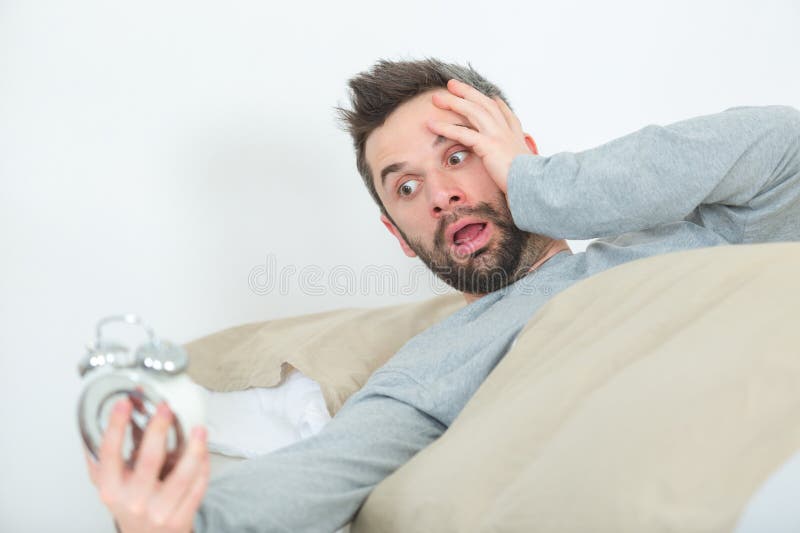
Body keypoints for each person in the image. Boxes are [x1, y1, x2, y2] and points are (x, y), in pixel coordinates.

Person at [83, 58, 800, 532]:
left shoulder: (684, 249)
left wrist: (543, 186)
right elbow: (330, 469)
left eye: (459, 154)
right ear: (401, 237)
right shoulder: (435, 363)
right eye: (406, 186)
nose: (444, 194)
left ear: (516, 150)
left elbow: (786, 151)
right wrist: (188, 518)